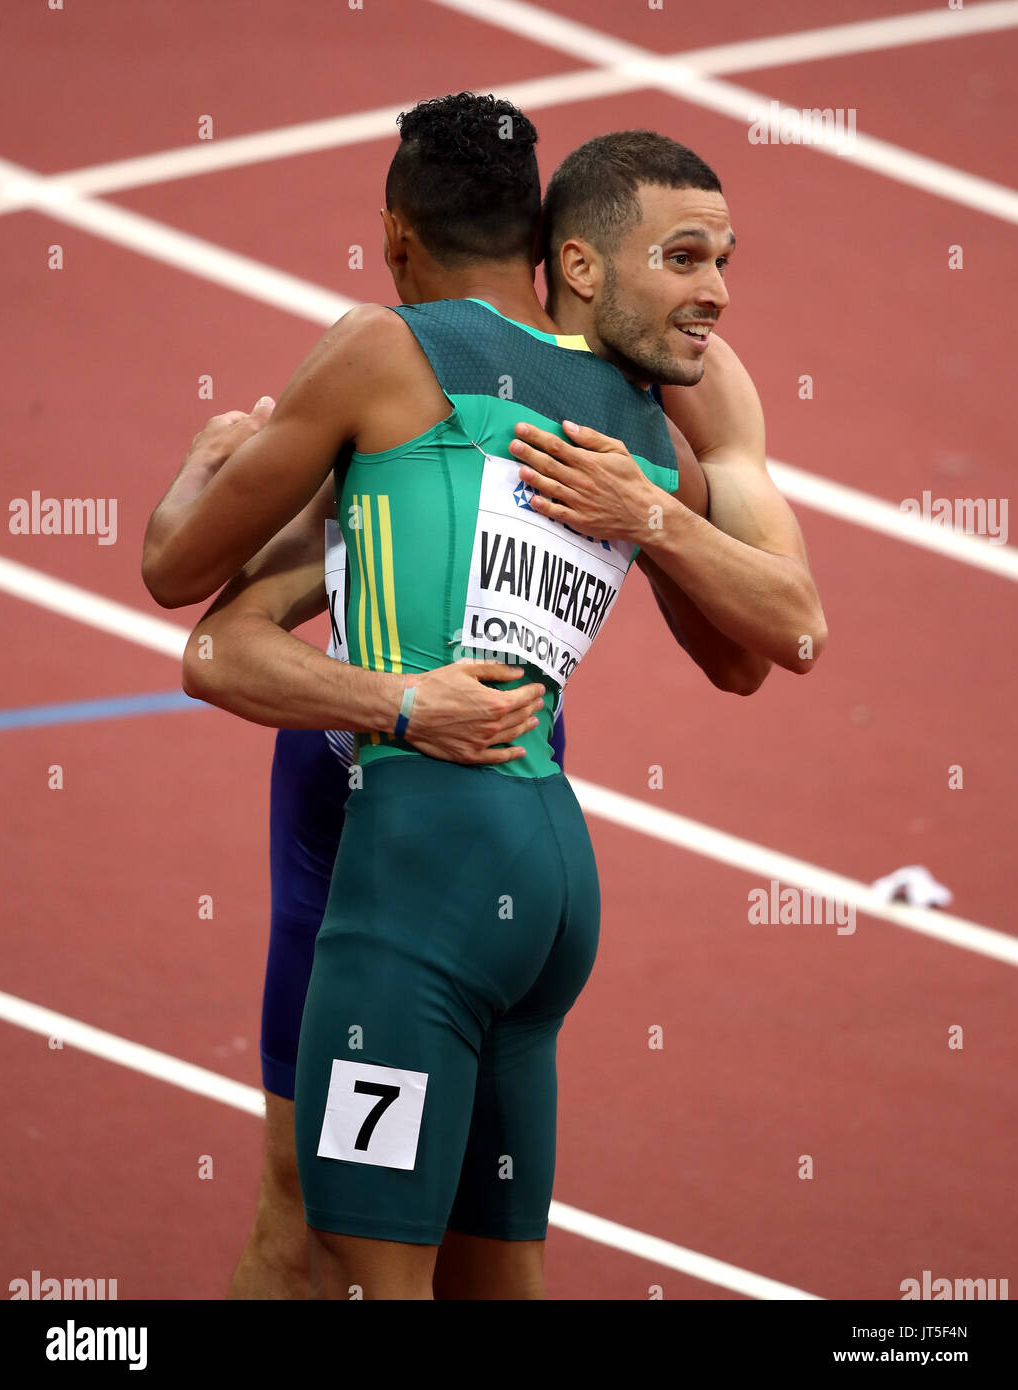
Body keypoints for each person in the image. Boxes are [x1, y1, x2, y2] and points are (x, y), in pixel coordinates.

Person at [144, 95, 826, 1299]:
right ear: (557, 256)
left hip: (414, 832)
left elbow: (183, 589)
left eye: (720, 262)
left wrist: (642, 518)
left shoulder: (476, 371)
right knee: (400, 1233)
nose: (712, 296)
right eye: (683, 260)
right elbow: (757, 651)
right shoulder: (573, 391)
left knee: (331, 1228)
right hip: (501, 828)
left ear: (398, 237)